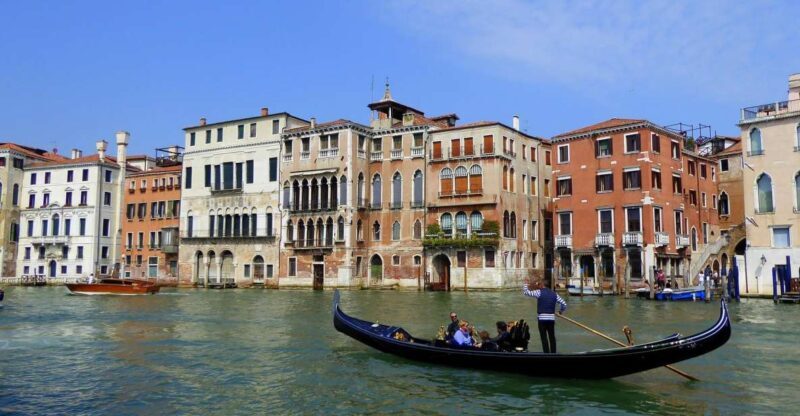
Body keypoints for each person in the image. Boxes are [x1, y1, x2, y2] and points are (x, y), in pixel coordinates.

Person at [523, 280, 567, 354]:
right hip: (551, 319)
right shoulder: (554, 294)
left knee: (544, 338)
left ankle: (546, 354)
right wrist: (560, 312)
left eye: (539, 284)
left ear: (542, 285)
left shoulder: (539, 292)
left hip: (542, 319)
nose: (539, 286)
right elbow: (564, 304)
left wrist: (525, 284)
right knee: (552, 337)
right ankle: (553, 354)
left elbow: (526, 292)